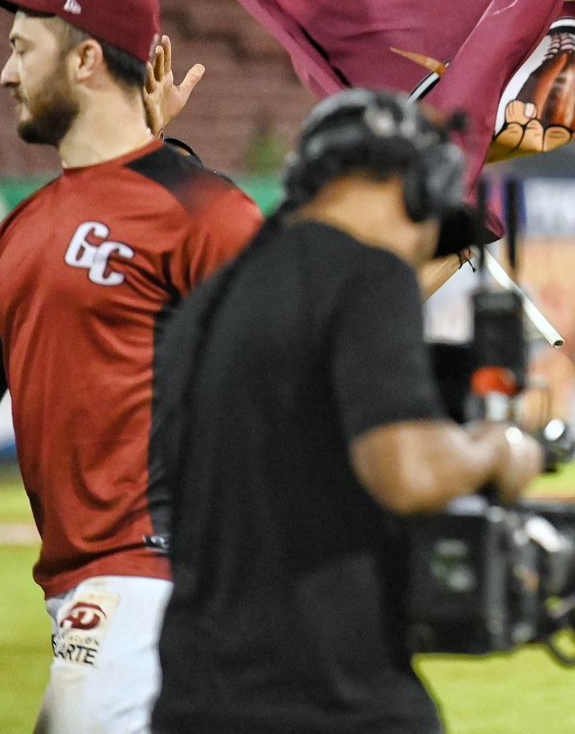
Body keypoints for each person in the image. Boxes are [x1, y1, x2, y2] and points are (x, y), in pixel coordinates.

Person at [148, 89, 545, 734]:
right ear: (409, 185)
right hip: (332, 694)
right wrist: (497, 448)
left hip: (195, 690)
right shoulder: (367, 274)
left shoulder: (214, 297)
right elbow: (407, 469)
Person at [0, 0, 262, 733]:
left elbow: (290, 360)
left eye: (23, 50)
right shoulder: (24, 225)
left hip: (155, 571)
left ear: (86, 58)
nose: (5, 76)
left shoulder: (205, 211)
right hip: (79, 585)